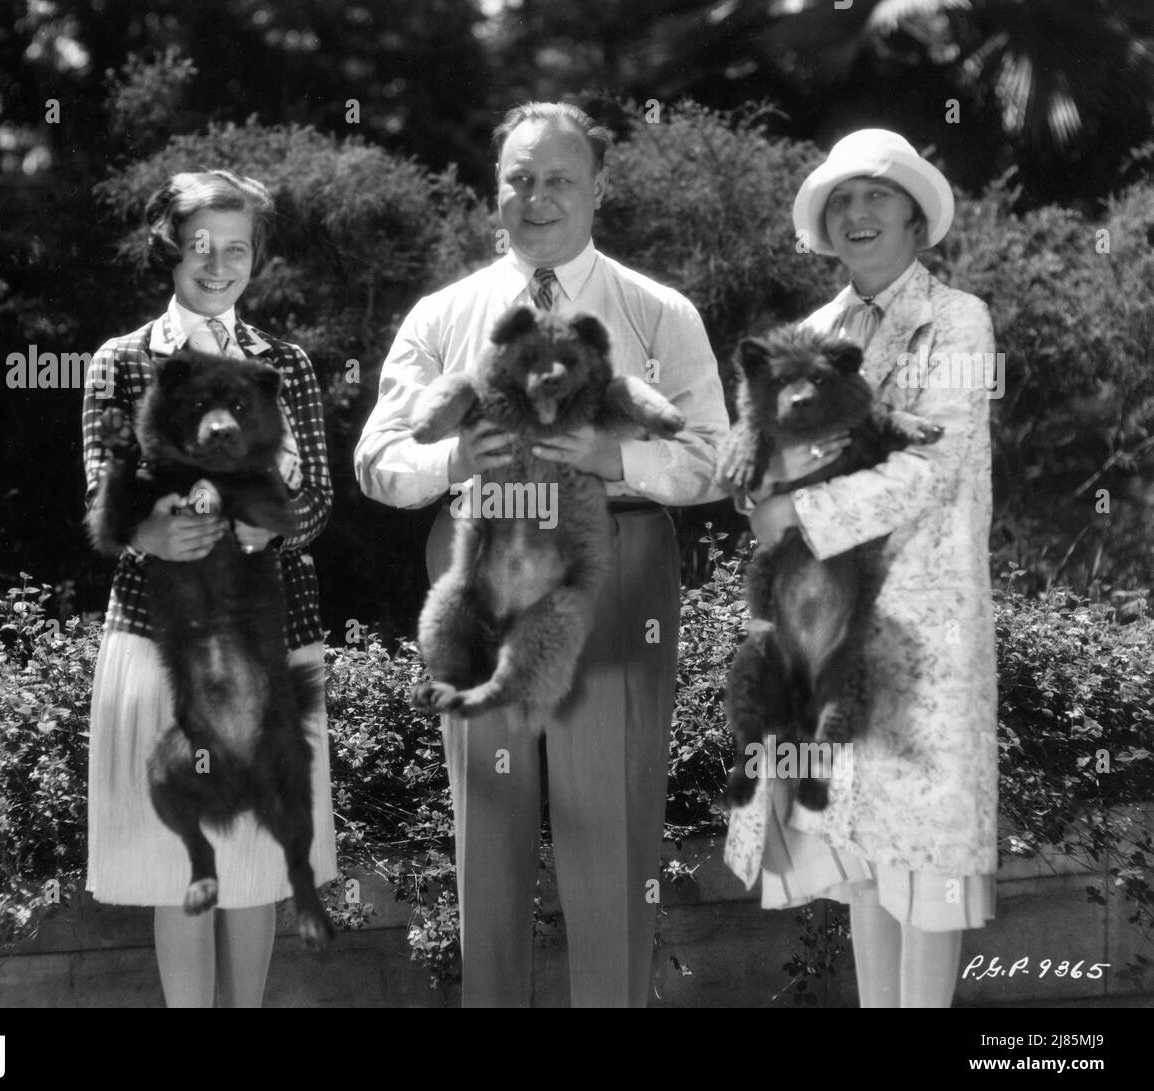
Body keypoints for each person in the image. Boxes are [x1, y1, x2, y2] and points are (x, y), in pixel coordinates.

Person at [355, 101, 730, 1007]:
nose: (537, 196)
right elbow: (376, 459)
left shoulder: (656, 312)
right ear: (496, 191)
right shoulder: (443, 316)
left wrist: (618, 458)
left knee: (615, 826)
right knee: (489, 828)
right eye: (519, 178)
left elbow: (717, 456)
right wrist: (451, 458)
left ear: (599, 188)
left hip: (619, 569)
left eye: (559, 178)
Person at [723, 129, 998, 1008]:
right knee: (863, 860)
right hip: (827, 631)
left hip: (924, 630)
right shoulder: (806, 335)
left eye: (878, 195)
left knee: (929, 865)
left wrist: (797, 505)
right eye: (842, 199)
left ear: (918, 219)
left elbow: (935, 466)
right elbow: (750, 469)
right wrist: (761, 486)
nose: (857, 211)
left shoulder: (960, 320)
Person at [81, 169, 338, 1007]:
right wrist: (149, 532)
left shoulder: (283, 365)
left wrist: (277, 524)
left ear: (257, 258)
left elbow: (320, 500)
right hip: (162, 642)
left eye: (238, 248)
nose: (218, 264)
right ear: (170, 251)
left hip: (270, 634)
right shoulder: (123, 362)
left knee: (257, 868)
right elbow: (100, 500)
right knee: (177, 869)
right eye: (201, 247)